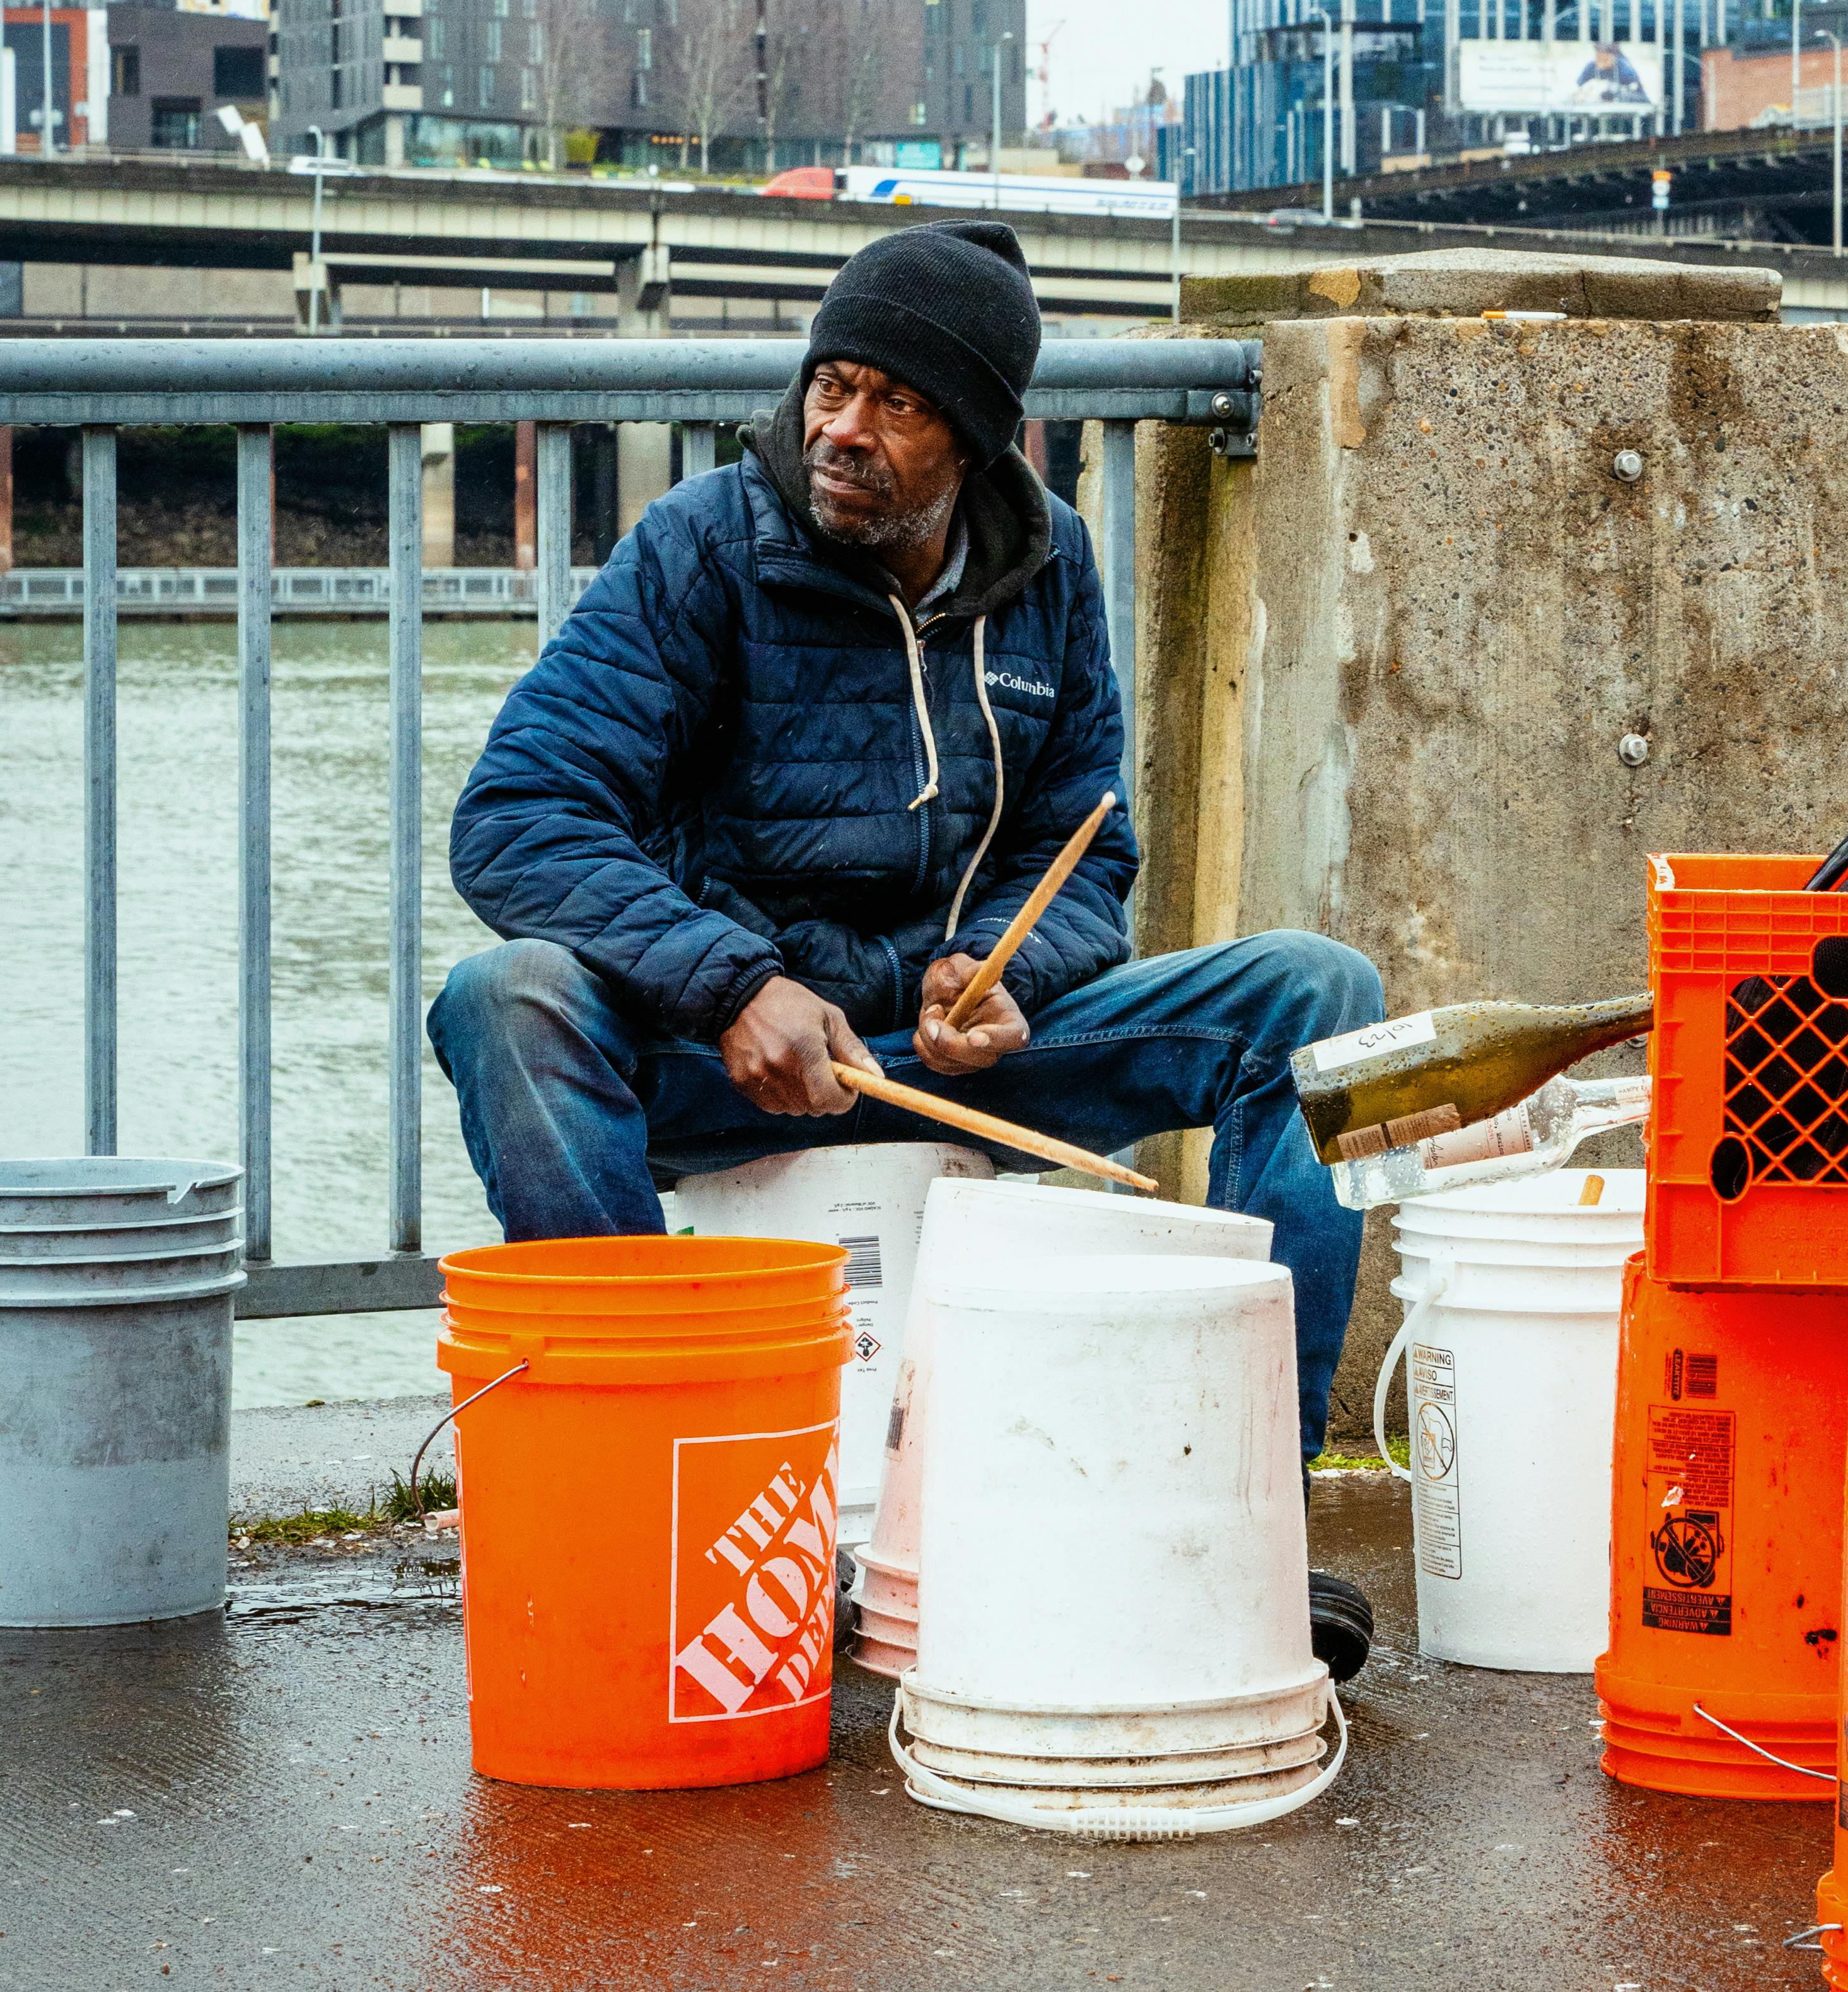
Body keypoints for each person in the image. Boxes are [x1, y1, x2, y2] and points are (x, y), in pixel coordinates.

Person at [427, 218, 1377, 1676]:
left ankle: (1252, 1521)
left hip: (953, 1057)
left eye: (897, 403)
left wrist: (1001, 972)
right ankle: (671, 1503)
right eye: (832, 385)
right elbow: (515, 819)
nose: (842, 428)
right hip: (730, 1056)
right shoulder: (702, 546)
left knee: (1317, 999)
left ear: (979, 439)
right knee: (507, 997)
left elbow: (1087, 847)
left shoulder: (1049, 564)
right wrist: (729, 982)